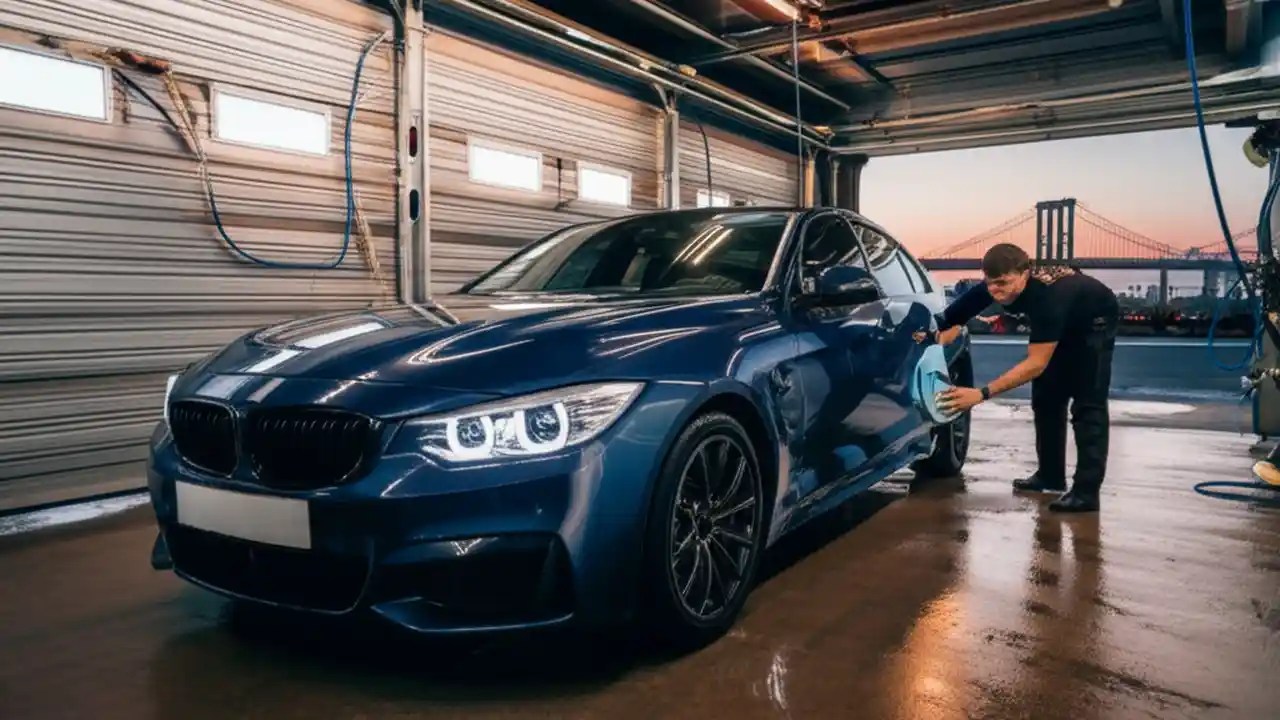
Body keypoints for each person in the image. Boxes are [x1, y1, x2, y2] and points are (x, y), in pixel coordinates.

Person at [918, 243, 1120, 513]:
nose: (995, 291)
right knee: (1046, 399)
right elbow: (949, 318)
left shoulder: (1050, 298)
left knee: (1087, 405)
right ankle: (1050, 477)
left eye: (1002, 283)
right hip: (1057, 322)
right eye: (990, 284)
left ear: (1025, 274)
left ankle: (1086, 493)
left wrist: (980, 394)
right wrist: (924, 332)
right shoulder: (993, 286)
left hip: (1093, 322)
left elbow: (1036, 363)